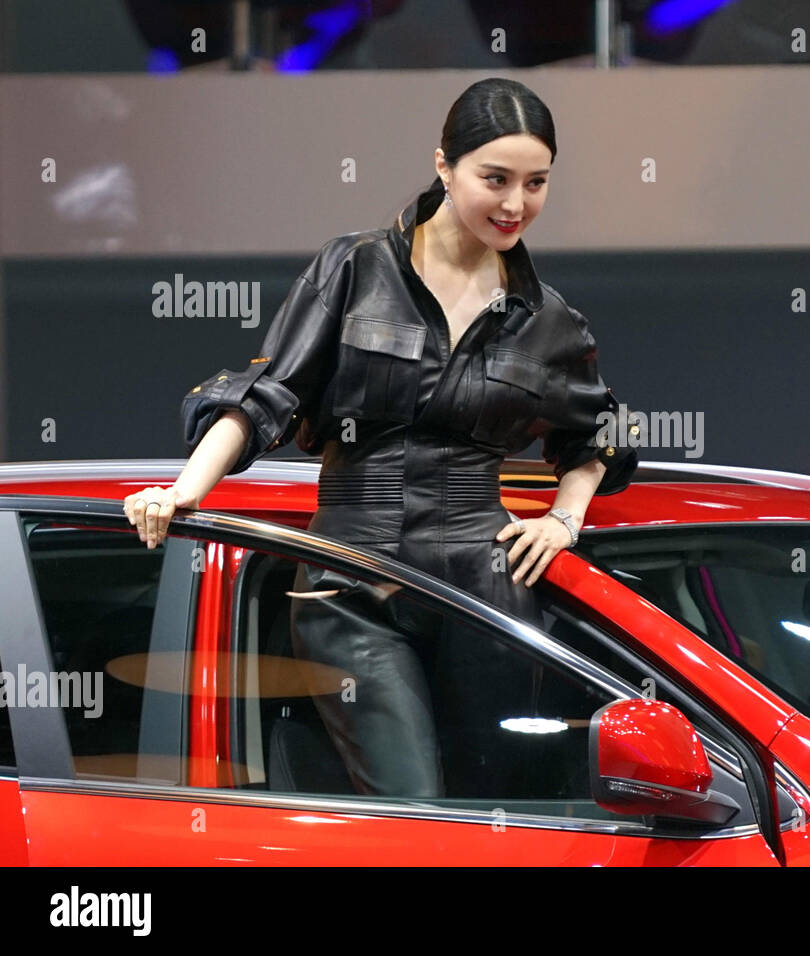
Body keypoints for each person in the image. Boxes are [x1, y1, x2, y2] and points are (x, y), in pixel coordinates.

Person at [123, 77, 639, 798]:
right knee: (416, 809)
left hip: (486, 590)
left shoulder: (547, 317)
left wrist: (565, 516)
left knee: (500, 812)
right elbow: (269, 394)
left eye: (536, 182)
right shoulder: (357, 267)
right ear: (443, 166)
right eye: (495, 179)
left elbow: (601, 429)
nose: (516, 204)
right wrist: (182, 492)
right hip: (349, 580)